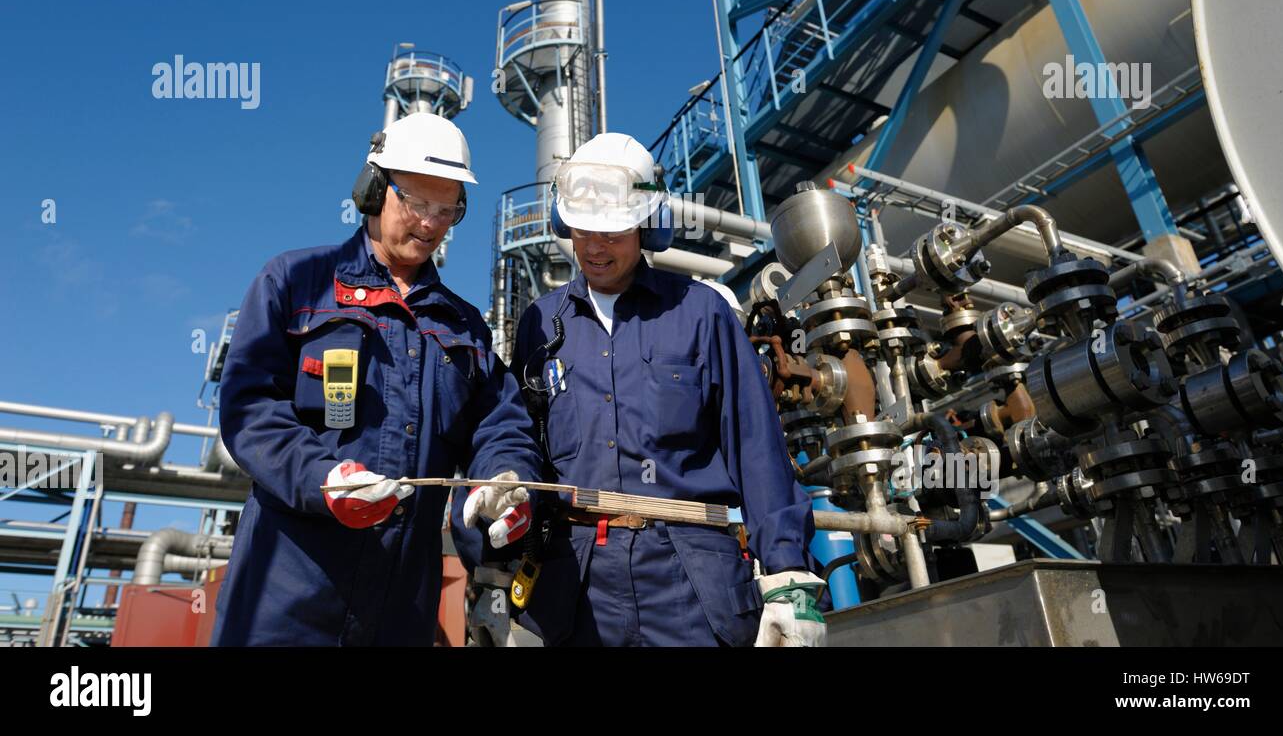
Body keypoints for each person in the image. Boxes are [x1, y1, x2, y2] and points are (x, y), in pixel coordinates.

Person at [212, 112, 541, 646]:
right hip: (284, 601)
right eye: (416, 203)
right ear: (373, 189)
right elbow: (250, 409)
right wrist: (321, 476)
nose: (431, 224)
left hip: (398, 611)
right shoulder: (295, 284)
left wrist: (504, 479)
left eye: (448, 209)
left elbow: (499, 426)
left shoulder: (464, 327)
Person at [506, 132, 827, 647]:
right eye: (583, 230)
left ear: (647, 224)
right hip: (578, 588)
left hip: (690, 584)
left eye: (612, 232)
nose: (594, 247)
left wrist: (788, 573)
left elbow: (755, 446)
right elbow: (517, 440)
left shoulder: (701, 313)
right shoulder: (540, 324)